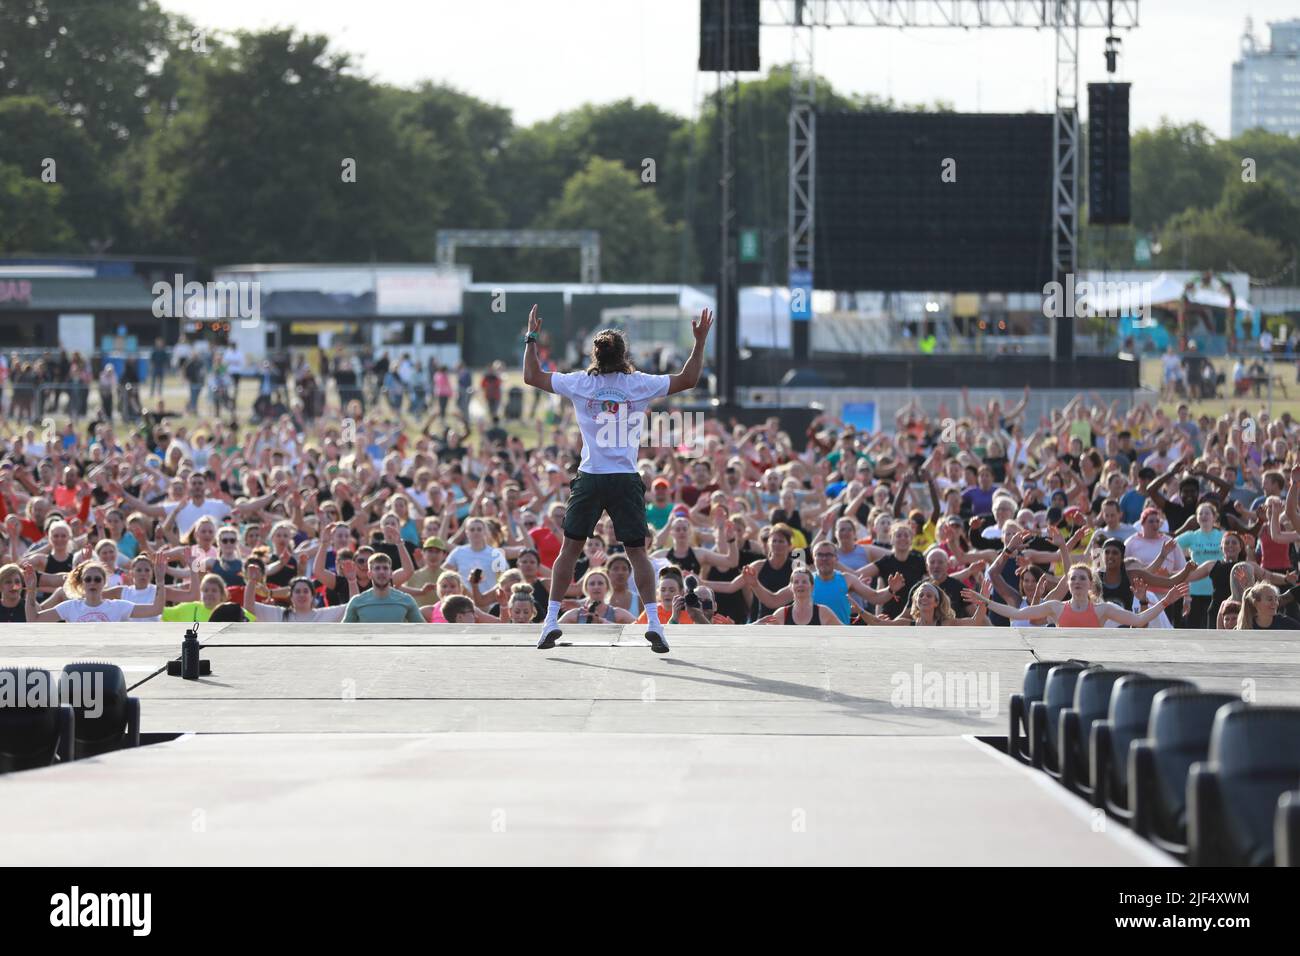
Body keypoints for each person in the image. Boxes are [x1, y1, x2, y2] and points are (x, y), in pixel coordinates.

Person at [523, 303, 713, 653]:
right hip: (624, 478)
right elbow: (689, 379)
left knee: (570, 549)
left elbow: (532, 377)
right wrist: (699, 341)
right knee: (638, 553)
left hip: (591, 476)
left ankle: (550, 621)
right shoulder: (638, 384)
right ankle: (655, 623)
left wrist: (531, 336)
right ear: (625, 354)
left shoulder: (580, 383)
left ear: (594, 355)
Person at [962, 566, 1189, 629]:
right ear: (1068, 584)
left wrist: (1166, 600)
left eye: (1082, 578)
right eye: (1073, 579)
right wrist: (986, 601)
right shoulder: (1055, 608)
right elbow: (1016, 613)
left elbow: (1139, 621)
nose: (1077, 582)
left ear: (1090, 584)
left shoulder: (1103, 609)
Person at [342, 553, 423, 623]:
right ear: (369, 574)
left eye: (385, 568)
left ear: (391, 573)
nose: (381, 572)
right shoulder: (357, 601)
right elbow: (342, 633)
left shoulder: (406, 600)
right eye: (377, 568)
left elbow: (424, 631)